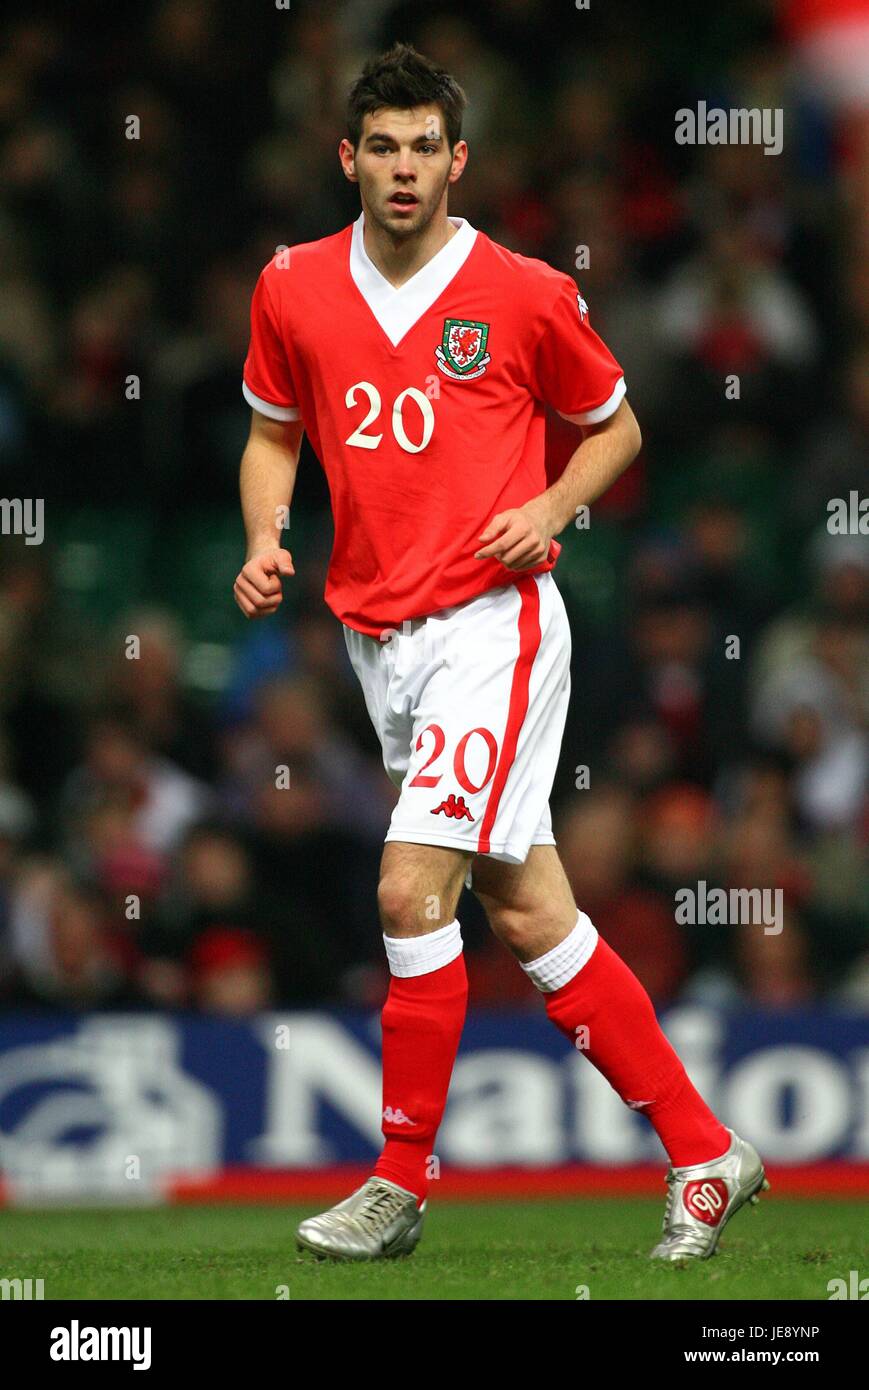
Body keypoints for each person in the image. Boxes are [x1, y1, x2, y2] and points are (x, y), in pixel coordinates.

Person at [233, 43, 767, 1262]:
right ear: (347, 158)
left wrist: (550, 507)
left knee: (405, 889)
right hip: (379, 643)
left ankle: (398, 1181)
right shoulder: (293, 286)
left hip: (494, 624)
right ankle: (704, 1152)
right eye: (382, 146)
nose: (404, 167)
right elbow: (273, 435)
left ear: (457, 160)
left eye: (426, 146)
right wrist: (264, 533)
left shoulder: (521, 289)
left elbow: (614, 425)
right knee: (529, 910)